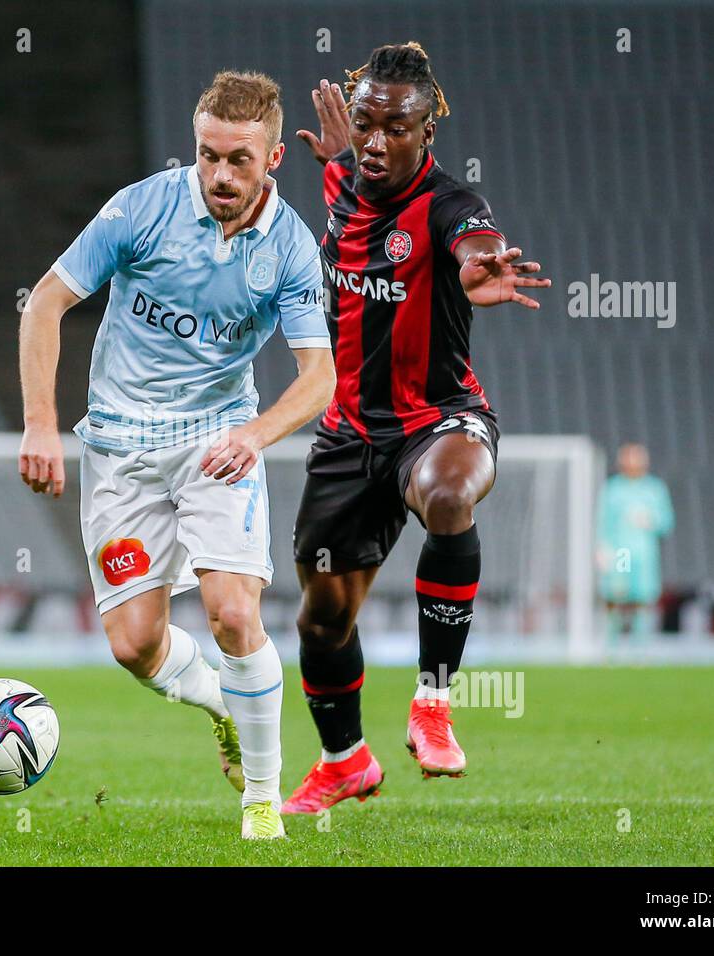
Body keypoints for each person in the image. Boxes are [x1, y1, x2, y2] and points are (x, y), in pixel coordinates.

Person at [18, 71, 336, 839]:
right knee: (134, 646)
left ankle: (262, 802)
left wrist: (253, 435)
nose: (221, 176)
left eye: (239, 160)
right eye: (208, 156)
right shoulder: (142, 208)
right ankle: (227, 706)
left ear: (271, 161)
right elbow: (46, 301)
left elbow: (318, 377)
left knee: (232, 613)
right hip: (120, 449)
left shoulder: (290, 247)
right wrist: (38, 424)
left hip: (215, 442)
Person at [282, 42, 551, 815]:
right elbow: (342, 168)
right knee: (323, 619)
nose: (375, 141)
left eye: (394, 128)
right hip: (346, 435)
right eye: (366, 125)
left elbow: (476, 242)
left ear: (426, 134)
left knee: (448, 495)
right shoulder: (344, 179)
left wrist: (480, 265)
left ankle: (433, 702)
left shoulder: (448, 206)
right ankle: (344, 762)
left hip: (439, 417)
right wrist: (339, 151)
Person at [597, 443, 674, 643]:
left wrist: (651, 520)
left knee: (642, 598)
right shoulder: (612, 488)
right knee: (616, 595)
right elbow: (602, 522)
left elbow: (667, 522)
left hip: (644, 553)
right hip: (621, 552)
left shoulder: (655, 489)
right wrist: (602, 548)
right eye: (629, 458)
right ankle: (611, 646)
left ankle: (640, 647)